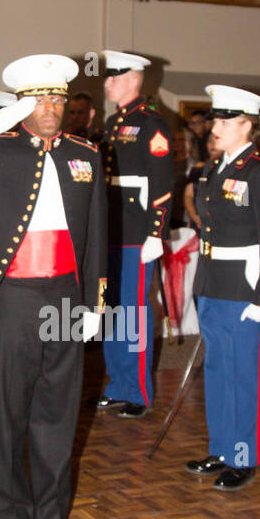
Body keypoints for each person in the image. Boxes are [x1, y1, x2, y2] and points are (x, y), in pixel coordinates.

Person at [0, 54, 107, 519]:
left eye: (57, 98)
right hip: (14, 295)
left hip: (65, 293)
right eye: (40, 98)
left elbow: (97, 232)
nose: (50, 107)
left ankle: (51, 515)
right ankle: (12, 516)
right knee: (10, 407)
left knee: (59, 407)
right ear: (22, 103)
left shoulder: (85, 155)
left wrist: (95, 302)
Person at [186, 86, 260, 490]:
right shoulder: (213, 168)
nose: (217, 126)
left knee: (242, 373)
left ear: (248, 125)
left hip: (243, 286)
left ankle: (242, 457)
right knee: (217, 369)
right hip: (212, 280)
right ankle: (221, 448)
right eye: (216, 119)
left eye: (226, 121)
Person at [94, 50, 174, 417]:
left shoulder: (151, 124)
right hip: (110, 230)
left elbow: (162, 182)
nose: (107, 83)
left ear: (133, 80)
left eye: (114, 77)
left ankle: (138, 392)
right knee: (112, 310)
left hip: (136, 233)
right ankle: (117, 384)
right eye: (107, 77)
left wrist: (156, 232)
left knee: (133, 311)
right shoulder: (112, 122)